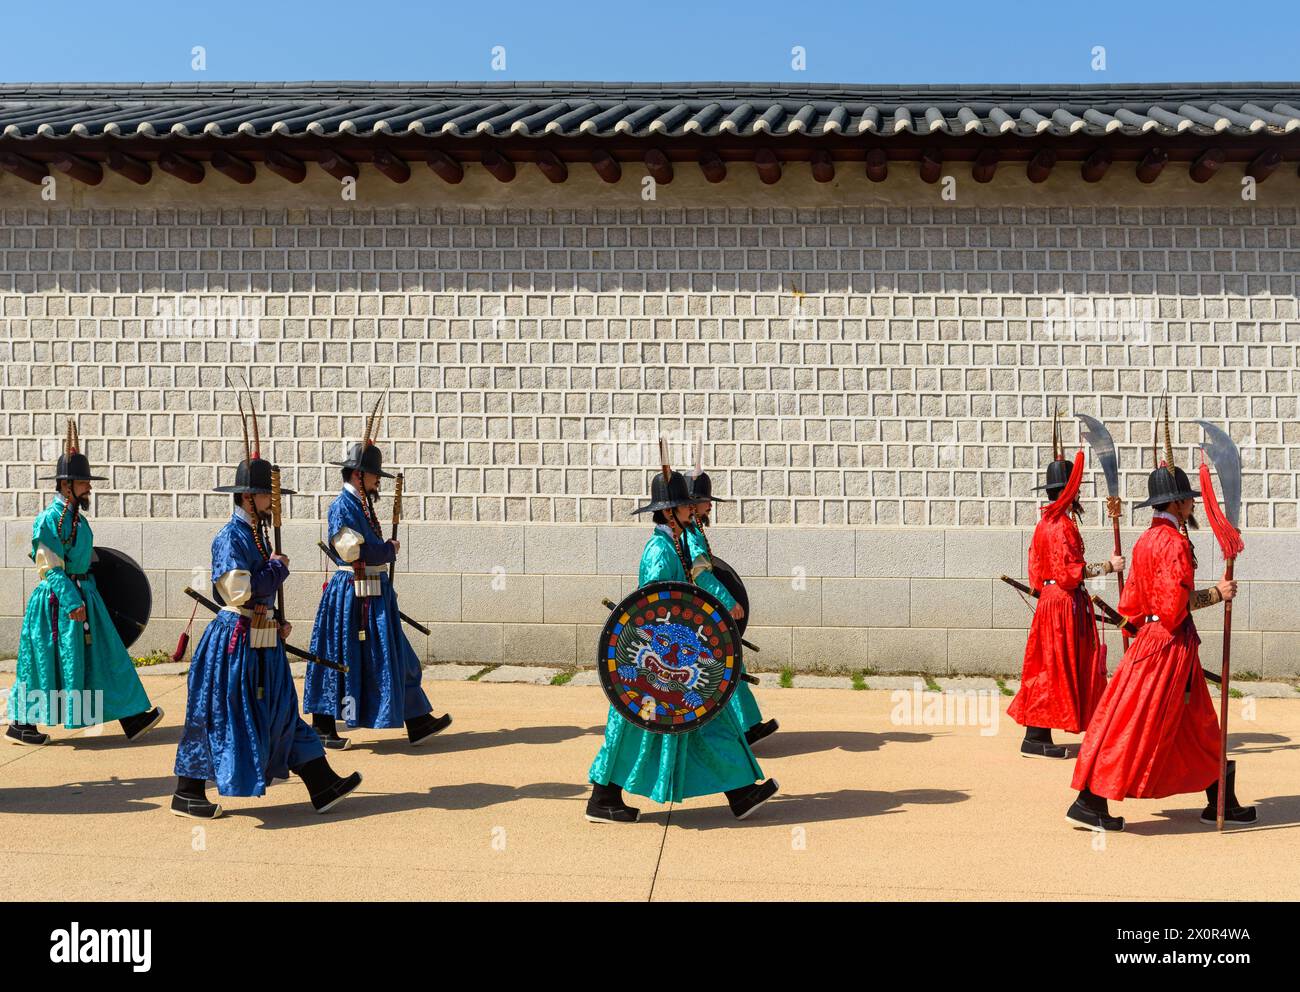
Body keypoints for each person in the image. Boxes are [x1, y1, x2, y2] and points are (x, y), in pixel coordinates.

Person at [171, 393, 362, 819]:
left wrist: (276, 617)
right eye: (266, 497)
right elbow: (237, 591)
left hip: (262, 638)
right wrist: (276, 572)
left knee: (280, 708)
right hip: (233, 643)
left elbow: (261, 589)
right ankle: (187, 792)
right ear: (248, 498)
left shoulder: (255, 535)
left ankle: (322, 782)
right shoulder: (230, 537)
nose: (272, 503)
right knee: (218, 714)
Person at [1067, 420, 1256, 831]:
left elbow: (1133, 602)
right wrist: (1216, 594)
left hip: (1160, 644)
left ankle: (1221, 799)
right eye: (1188, 500)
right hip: (1167, 646)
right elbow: (1173, 607)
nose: (1192, 505)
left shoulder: (1146, 540)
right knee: (1137, 724)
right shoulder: (1171, 543)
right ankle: (1092, 798)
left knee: (1200, 725)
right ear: (1176, 504)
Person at [586, 460, 779, 824]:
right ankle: (603, 797)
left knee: (711, 724)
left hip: (679, 661)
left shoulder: (674, 545)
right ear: (669, 512)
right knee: (630, 731)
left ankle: (740, 792)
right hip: (657, 664)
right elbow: (656, 608)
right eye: (686, 506)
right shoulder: (660, 551)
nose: (694, 510)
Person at [305, 393, 450, 748]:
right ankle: (324, 725)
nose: (377, 482)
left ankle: (416, 719)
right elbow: (348, 548)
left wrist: (384, 554)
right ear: (358, 474)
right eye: (373, 476)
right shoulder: (342, 506)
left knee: (396, 651)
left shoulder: (361, 503)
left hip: (373, 589)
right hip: (351, 592)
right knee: (339, 654)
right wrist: (386, 550)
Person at [6, 418, 162, 747]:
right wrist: (72, 600)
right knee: (45, 660)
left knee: (105, 656)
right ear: (67, 485)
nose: (89, 488)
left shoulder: (77, 517)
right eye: (84, 483)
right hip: (59, 602)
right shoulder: (48, 519)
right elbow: (48, 564)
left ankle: (133, 716)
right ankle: (21, 722)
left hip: (84, 595)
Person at [1008, 416, 1121, 758]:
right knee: (1055, 669)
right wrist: (1108, 566)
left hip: (1051, 603)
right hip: (1061, 606)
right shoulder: (1061, 526)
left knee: (1048, 668)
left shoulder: (1047, 522)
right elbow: (1070, 572)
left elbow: (1036, 569)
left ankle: (1037, 735)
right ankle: (1037, 736)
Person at [683, 453, 777, 746]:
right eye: (705, 499)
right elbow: (702, 577)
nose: (710, 504)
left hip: (702, 612)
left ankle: (747, 725)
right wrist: (728, 601)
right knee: (724, 666)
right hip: (699, 614)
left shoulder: (692, 530)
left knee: (730, 664)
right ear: (692, 503)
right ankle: (739, 728)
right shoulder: (688, 535)